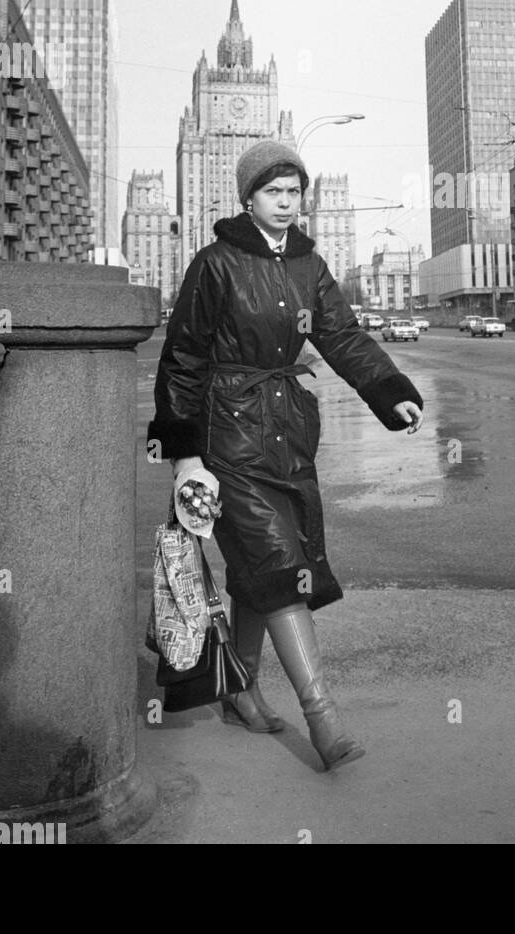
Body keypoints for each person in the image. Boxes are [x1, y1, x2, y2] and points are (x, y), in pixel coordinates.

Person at [149, 141, 424, 771]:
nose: (286, 202)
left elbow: (343, 335)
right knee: (276, 560)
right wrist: (184, 456)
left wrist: (390, 392)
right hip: (228, 439)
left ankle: (240, 687)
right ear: (249, 197)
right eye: (274, 191)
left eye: (294, 192)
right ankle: (323, 718)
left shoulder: (309, 265)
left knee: (261, 563)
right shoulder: (215, 263)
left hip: (290, 432)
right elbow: (183, 359)